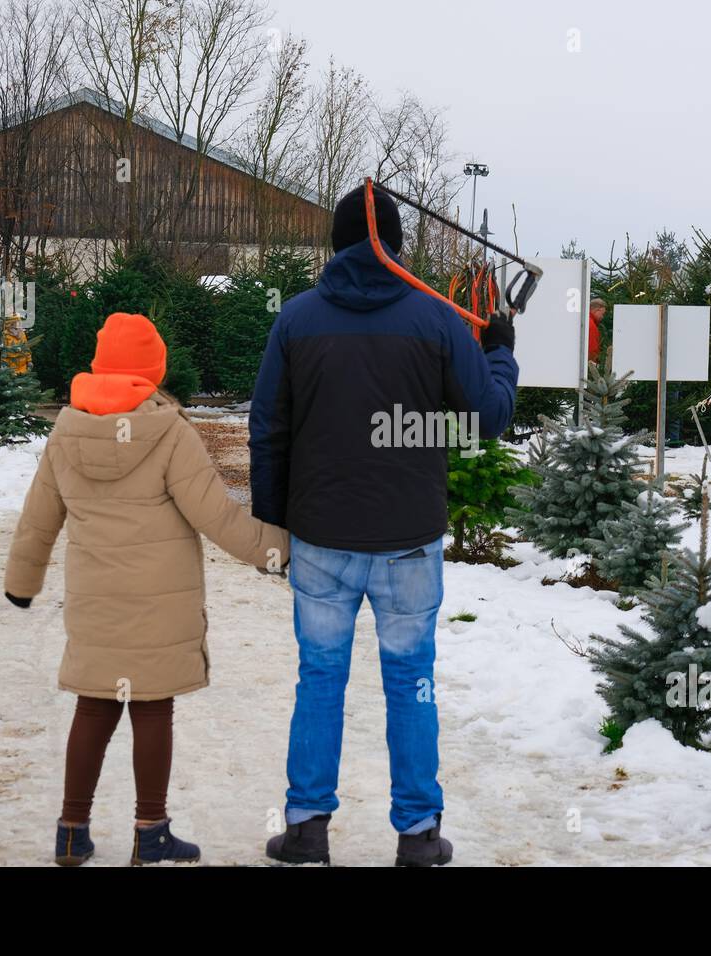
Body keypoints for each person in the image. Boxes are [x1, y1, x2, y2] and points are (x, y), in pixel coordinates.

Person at [249, 185, 519, 867]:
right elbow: (486, 417)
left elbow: (268, 430)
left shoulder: (296, 320)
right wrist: (500, 352)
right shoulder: (437, 321)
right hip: (408, 542)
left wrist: (273, 525)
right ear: (397, 246)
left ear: (335, 244)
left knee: (319, 679)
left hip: (319, 538)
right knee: (411, 682)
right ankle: (419, 836)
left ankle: (307, 829)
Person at [3, 312, 288, 866]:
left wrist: (21, 583)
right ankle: (150, 831)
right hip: (160, 607)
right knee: (152, 711)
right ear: (152, 368)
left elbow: (39, 517)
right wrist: (281, 549)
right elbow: (217, 517)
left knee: (93, 708)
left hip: (94, 603)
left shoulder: (67, 430)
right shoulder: (168, 431)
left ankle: (71, 829)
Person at [588, 297, 606, 364]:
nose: (602, 317)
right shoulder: (592, 325)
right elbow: (592, 349)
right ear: (597, 310)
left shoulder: (586, 321)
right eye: (602, 314)